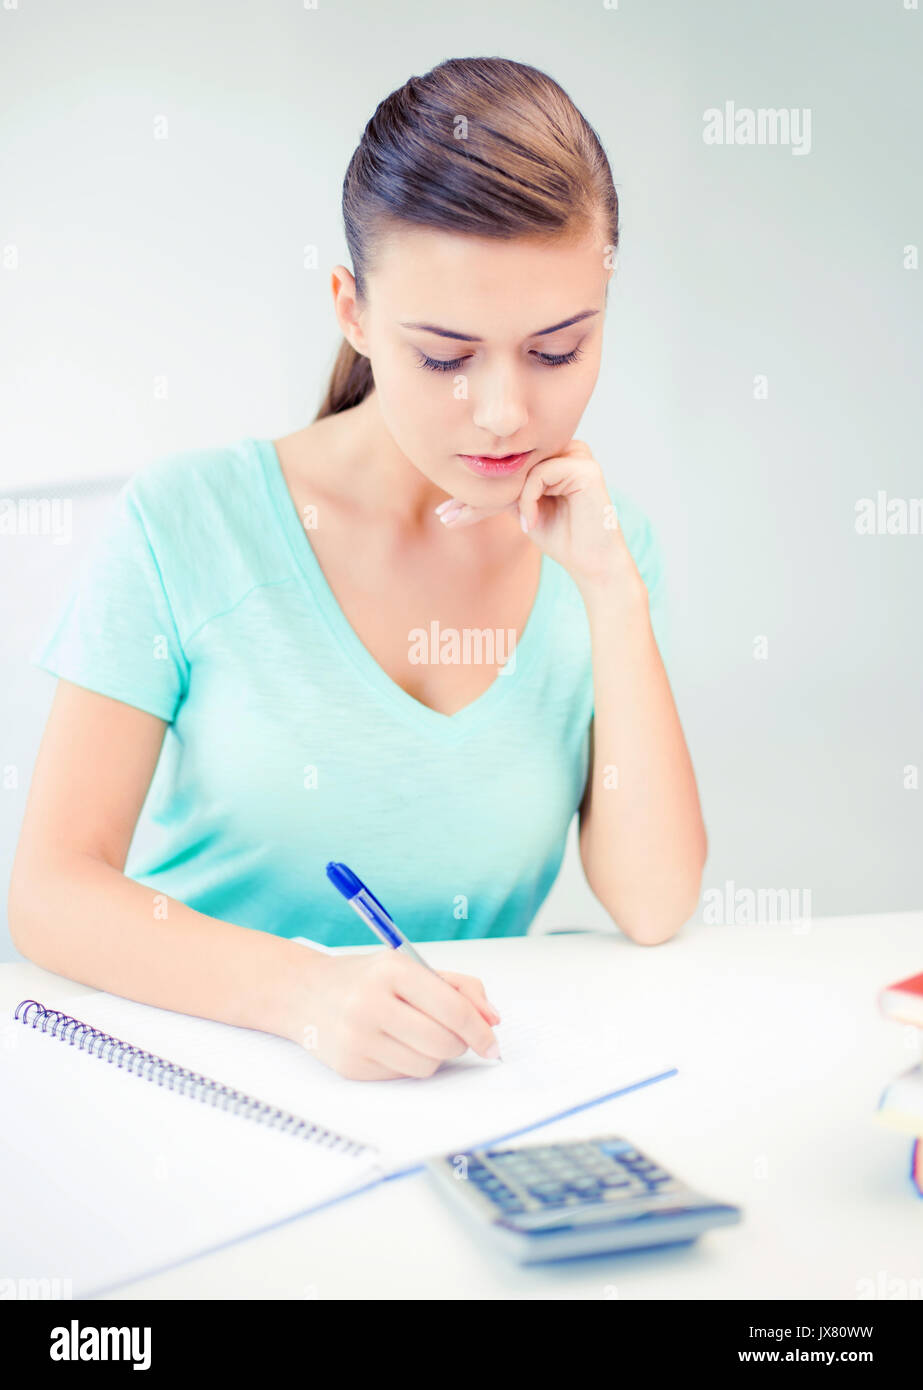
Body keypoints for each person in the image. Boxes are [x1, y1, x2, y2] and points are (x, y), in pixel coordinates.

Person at [9, 56, 707, 1081]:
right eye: (445, 356)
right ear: (352, 311)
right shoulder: (187, 521)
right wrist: (304, 995)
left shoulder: (604, 545)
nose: (503, 413)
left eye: (556, 351)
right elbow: (50, 893)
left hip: (442, 1094)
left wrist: (610, 590)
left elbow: (652, 905)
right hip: (191, 1078)